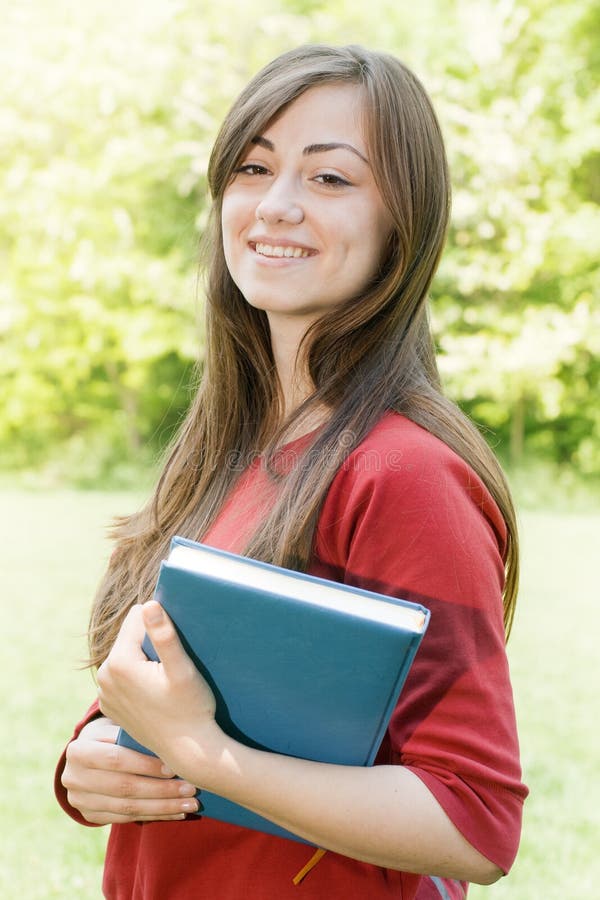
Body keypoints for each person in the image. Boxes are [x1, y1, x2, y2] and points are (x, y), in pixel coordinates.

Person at [55, 43, 528, 899]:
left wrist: (207, 755)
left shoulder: (404, 472)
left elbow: (475, 821)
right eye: (253, 167)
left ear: (403, 222)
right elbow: (198, 682)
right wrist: (93, 762)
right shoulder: (226, 450)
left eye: (330, 179)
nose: (275, 206)